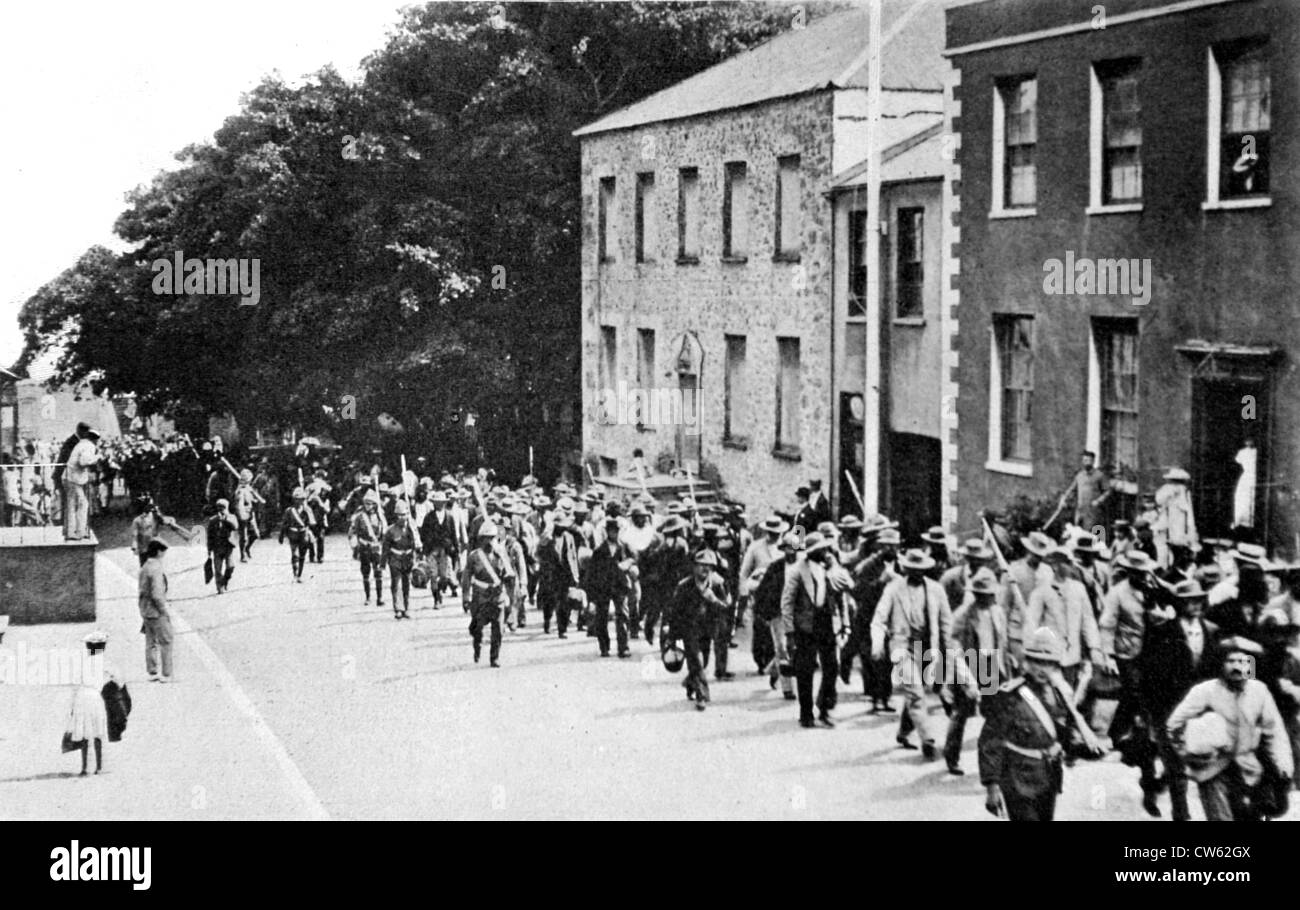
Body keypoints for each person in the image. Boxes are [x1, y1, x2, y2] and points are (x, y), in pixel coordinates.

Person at [979, 627, 1105, 820]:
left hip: (1049, 778)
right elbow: (990, 741)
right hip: (1018, 780)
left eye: (1048, 663)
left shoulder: (1058, 695)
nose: (1042, 668)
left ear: (1056, 667)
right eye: (1036, 661)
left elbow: (1062, 736)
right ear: (1026, 662)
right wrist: (991, 787)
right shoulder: (1010, 696)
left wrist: (1087, 749)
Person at [1167, 636, 1293, 821]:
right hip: (1213, 769)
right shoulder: (1205, 691)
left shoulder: (1259, 691)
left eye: (1243, 661)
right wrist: (1189, 752)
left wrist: (1283, 765)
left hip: (1249, 769)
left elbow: (1274, 731)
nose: (1237, 666)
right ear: (1221, 664)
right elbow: (1174, 724)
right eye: (1230, 661)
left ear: (1251, 665)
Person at [1137, 579, 1220, 820]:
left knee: (1191, 758)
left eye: (1198, 600)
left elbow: (1213, 669)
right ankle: (1181, 814)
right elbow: (1148, 672)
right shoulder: (1163, 631)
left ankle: (1156, 785)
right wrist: (1149, 711)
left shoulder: (1209, 630)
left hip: (1197, 709)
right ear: (1179, 603)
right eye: (1188, 600)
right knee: (1175, 765)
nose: (1194, 605)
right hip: (1168, 706)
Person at [872, 548, 953, 756]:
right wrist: (878, 643)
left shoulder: (936, 590)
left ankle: (903, 731)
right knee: (916, 693)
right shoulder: (893, 588)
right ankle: (928, 739)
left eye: (920, 569)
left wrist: (950, 651)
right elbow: (879, 618)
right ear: (906, 568)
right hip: (902, 647)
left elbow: (946, 624)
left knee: (914, 691)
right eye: (912, 569)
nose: (916, 572)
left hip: (927, 648)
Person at [944, 568, 1008, 775]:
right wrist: (968, 681)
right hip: (969, 664)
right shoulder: (963, 615)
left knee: (996, 714)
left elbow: (1002, 641)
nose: (990, 597)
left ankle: (994, 760)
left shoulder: (997, 612)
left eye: (992, 594)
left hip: (991, 666)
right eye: (986, 594)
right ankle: (951, 756)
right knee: (961, 713)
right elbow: (954, 650)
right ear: (978, 594)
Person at [784, 533, 852, 729]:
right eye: (822, 549)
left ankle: (824, 707)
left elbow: (841, 599)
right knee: (805, 671)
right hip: (805, 626)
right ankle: (806, 713)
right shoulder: (798, 571)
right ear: (813, 552)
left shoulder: (830, 570)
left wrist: (845, 623)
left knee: (832, 666)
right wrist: (789, 632)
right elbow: (787, 603)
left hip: (827, 623)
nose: (826, 552)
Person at [1023, 546, 1109, 699]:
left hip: (1072, 654)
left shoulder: (1079, 588)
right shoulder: (1041, 592)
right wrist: (1034, 651)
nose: (1071, 567)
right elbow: (1031, 623)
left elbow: (1088, 620)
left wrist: (1094, 647)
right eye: (1067, 564)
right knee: (1053, 697)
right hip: (1049, 657)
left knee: (1074, 696)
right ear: (1055, 566)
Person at [668, 549, 729, 711]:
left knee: (705, 660)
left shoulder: (718, 584)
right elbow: (675, 612)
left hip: (708, 628)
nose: (705, 570)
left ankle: (690, 682)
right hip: (690, 628)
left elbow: (726, 607)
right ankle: (701, 695)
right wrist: (672, 636)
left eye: (709, 566)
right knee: (696, 661)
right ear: (694, 567)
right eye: (701, 566)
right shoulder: (684, 586)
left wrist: (714, 600)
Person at [63, 631, 123, 776]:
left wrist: (71, 706)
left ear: (88, 647)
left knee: (84, 731)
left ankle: (84, 768)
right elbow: (119, 681)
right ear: (103, 647)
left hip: (80, 697)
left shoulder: (82, 663)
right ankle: (99, 767)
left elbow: (75, 685)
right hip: (95, 697)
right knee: (98, 731)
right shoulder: (106, 663)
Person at [585, 517, 637, 658]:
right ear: (607, 532)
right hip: (604, 587)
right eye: (611, 531)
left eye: (616, 531)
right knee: (601, 618)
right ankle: (604, 647)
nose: (613, 533)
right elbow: (592, 573)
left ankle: (623, 647)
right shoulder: (599, 550)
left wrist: (626, 563)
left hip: (620, 586)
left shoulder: (624, 546)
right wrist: (592, 594)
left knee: (623, 616)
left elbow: (635, 558)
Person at [464, 521, 513, 667]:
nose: (489, 541)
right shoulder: (474, 556)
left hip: (497, 597)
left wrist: (508, 595)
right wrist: (465, 598)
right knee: (477, 628)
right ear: (481, 539)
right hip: (480, 597)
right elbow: (466, 578)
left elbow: (509, 575)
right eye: (486, 537)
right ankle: (477, 646)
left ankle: (494, 657)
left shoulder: (501, 555)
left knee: (498, 629)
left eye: (492, 537)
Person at [138, 540, 174, 682]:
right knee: (166, 640)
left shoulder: (145, 566)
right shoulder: (156, 568)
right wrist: (164, 611)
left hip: (145, 610)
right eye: (163, 551)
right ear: (159, 551)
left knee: (151, 642)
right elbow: (157, 594)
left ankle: (152, 671)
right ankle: (166, 673)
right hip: (156, 611)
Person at [419, 490, 459, 607]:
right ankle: (436, 599)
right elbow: (423, 534)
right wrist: (426, 546)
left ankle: (440, 590)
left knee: (444, 576)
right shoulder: (429, 517)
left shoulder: (449, 517)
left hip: (445, 550)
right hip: (432, 550)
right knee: (433, 574)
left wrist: (455, 550)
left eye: (441, 502)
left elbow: (453, 534)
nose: (439, 504)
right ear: (434, 503)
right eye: (437, 502)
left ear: (445, 503)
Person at [349, 489, 386, 606]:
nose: (368, 506)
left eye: (370, 503)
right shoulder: (360, 517)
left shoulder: (380, 516)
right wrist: (354, 545)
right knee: (366, 573)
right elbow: (353, 531)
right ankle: (368, 597)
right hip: (364, 546)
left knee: (378, 573)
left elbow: (385, 531)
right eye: (366, 503)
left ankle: (380, 598)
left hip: (376, 547)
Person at [130, 494, 192, 565]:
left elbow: (169, 523)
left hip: (152, 546)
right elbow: (134, 535)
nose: (154, 507)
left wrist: (185, 534)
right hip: (145, 547)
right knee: (147, 566)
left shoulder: (154, 516)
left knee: (152, 566)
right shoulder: (138, 520)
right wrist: (134, 546)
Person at [1154, 467, 1198, 567]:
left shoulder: (1185, 492)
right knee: (1164, 547)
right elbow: (1159, 500)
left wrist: (1190, 530)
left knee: (1179, 545)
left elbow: (1188, 512)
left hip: (1180, 522)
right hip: (1168, 521)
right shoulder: (1166, 490)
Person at [382, 499, 418, 619]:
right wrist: (382, 563)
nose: (402, 518)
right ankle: (398, 608)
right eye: (400, 515)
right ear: (396, 516)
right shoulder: (390, 530)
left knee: (406, 584)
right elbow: (385, 548)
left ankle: (406, 608)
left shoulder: (412, 528)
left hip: (408, 559)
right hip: (395, 559)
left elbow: (417, 544)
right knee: (396, 584)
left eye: (405, 515)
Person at [63, 427, 100, 540]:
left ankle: (73, 531)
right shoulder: (89, 446)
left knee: (74, 504)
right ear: (95, 439)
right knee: (82, 504)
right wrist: (97, 457)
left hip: (70, 477)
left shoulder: (81, 444)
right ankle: (78, 531)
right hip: (73, 478)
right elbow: (83, 462)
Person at [1064, 450, 1111, 531]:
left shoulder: (1099, 475)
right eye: (1084, 460)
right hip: (1080, 511)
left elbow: (1108, 491)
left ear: (1093, 461)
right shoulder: (1079, 475)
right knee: (1079, 534)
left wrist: (1098, 501)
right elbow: (1072, 489)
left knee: (1093, 536)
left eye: (1088, 460)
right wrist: (1064, 498)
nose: (1086, 463)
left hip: (1093, 512)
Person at [279, 488, 315, 582]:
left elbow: (312, 523)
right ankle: (295, 574)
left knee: (302, 556)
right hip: (293, 534)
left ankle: (299, 575)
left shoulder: (307, 510)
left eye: (302, 499)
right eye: (297, 499)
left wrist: (308, 512)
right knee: (295, 554)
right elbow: (284, 524)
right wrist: (281, 536)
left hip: (303, 534)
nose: (299, 501)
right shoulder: (289, 511)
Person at [232, 468, 264, 562]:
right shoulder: (240, 491)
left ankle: (247, 548)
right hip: (243, 514)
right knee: (244, 536)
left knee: (255, 534)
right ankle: (243, 555)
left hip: (250, 513)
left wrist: (256, 501)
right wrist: (242, 516)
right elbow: (239, 505)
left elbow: (250, 500)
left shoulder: (248, 489)